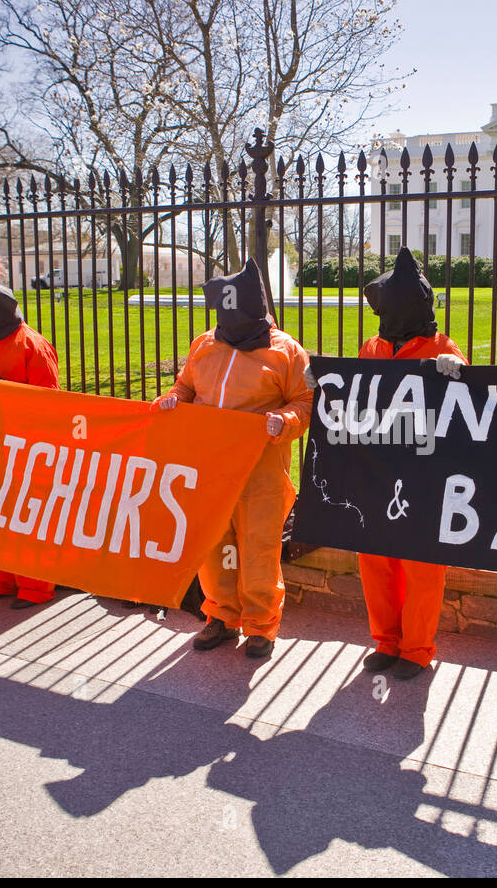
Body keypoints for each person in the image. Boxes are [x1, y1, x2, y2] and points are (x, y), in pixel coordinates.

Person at [317, 246, 465, 681]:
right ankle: (387, 640)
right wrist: (324, 385)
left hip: (424, 474)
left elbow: (467, 408)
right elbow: (355, 401)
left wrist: (456, 369)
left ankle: (417, 649)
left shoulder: (442, 346)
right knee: (375, 559)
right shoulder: (372, 347)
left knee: (422, 563)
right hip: (378, 474)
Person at [154, 258, 311, 659]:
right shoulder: (205, 345)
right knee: (212, 544)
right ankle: (221, 617)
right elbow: (185, 386)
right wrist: (173, 400)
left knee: (259, 550)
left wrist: (286, 420)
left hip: (262, 472)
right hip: (210, 467)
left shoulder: (286, 351)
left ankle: (261, 626)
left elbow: (306, 401)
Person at [0, 279, 61, 609]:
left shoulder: (33, 345)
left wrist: (3, 392)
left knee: (27, 519)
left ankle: (35, 587)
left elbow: (50, 401)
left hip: (27, 446)